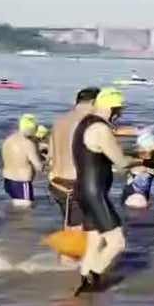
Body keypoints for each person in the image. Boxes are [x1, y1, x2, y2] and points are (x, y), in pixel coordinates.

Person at [72, 87, 154, 294]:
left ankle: (85, 285)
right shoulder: (101, 129)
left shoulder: (85, 124)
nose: (120, 114)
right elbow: (121, 163)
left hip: (84, 191)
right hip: (94, 194)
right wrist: (146, 162)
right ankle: (90, 282)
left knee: (95, 241)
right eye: (119, 110)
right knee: (117, 242)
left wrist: (134, 156)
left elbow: (102, 153)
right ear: (114, 109)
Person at [48, 87, 99, 233]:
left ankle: (65, 254)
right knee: (80, 234)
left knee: (70, 229)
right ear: (93, 102)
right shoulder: (88, 123)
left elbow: (51, 154)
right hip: (75, 185)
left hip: (57, 183)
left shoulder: (59, 121)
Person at [1, 114, 43, 208]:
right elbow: (38, 166)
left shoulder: (8, 140)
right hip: (21, 182)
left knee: (15, 209)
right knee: (25, 214)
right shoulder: (28, 143)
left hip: (8, 181)